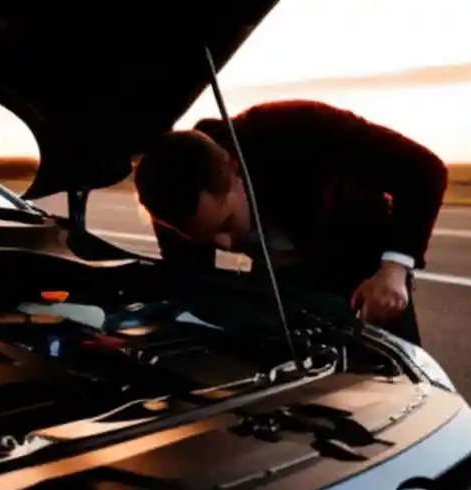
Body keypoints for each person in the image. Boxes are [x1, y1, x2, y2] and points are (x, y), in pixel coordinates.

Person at [131, 99, 448, 346]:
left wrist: (393, 269)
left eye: (226, 224)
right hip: (278, 281)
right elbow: (194, 286)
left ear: (234, 168)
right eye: (205, 238)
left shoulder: (299, 130)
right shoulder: (169, 195)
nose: (226, 245)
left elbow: (423, 170)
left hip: (363, 270)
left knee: (393, 377)